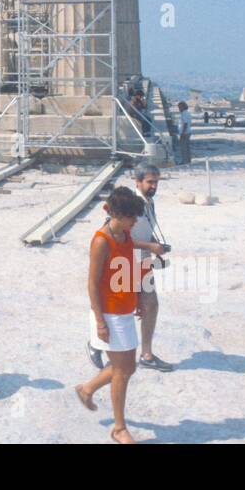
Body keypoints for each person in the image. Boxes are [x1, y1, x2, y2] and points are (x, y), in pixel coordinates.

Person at [74, 186, 147, 444]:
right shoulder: (101, 241)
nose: (135, 221)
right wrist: (100, 322)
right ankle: (119, 428)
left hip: (124, 309)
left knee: (127, 367)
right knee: (122, 371)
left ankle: (87, 389)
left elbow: (128, 265)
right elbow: (92, 284)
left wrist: (138, 298)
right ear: (117, 214)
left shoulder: (124, 234)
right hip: (109, 314)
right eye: (131, 217)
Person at [131, 165, 173, 371]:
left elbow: (144, 231)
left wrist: (156, 246)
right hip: (125, 263)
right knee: (121, 309)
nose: (154, 186)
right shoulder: (129, 203)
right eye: (150, 182)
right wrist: (150, 246)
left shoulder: (149, 202)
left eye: (156, 182)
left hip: (143, 262)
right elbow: (118, 238)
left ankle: (146, 355)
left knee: (151, 305)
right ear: (137, 182)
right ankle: (96, 343)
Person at [176, 101, 192, 165]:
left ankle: (185, 161)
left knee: (184, 148)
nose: (179, 109)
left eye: (180, 107)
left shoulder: (184, 114)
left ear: (183, 107)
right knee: (187, 147)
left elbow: (185, 124)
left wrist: (182, 133)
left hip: (185, 133)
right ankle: (188, 160)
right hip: (188, 132)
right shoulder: (187, 113)